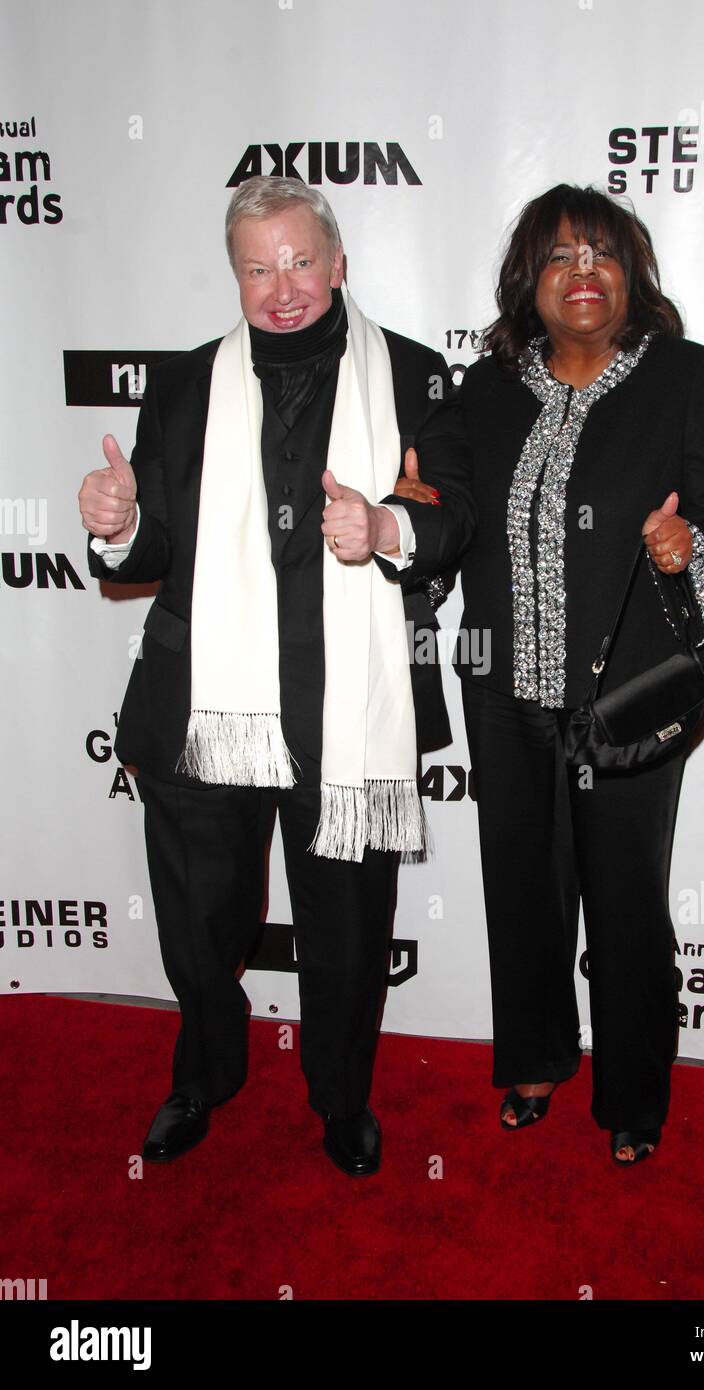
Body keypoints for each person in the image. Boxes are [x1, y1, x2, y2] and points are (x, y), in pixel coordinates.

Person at [78, 176, 474, 1177]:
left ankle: (341, 1099)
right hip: (202, 707)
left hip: (350, 704)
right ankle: (203, 1073)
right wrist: (120, 524)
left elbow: (451, 521)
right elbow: (154, 544)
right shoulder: (182, 385)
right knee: (201, 923)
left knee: (347, 930)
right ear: (236, 276)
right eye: (259, 268)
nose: (283, 288)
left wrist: (387, 525)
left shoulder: (420, 378)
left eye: (300, 262)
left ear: (338, 265)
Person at [449, 183, 704, 1165]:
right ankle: (536, 1057)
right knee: (521, 886)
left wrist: (689, 546)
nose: (579, 274)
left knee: (627, 901)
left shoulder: (687, 378)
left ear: (629, 273)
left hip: (624, 691)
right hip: (503, 689)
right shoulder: (489, 387)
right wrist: (408, 501)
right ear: (527, 282)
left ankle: (632, 1093)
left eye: (599, 255)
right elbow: (445, 504)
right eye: (557, 258)